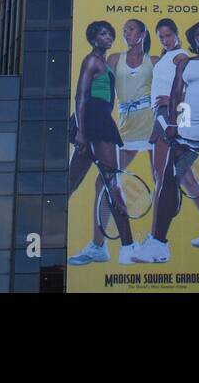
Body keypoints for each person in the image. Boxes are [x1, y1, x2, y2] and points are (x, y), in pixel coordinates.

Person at [134, 20, 199, 265]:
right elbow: (178, 94)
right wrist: (173, 123)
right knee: (167, 176)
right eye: (197, 34)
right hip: (187, 126)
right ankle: (159, 243)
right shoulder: (185, 63)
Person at [80, 19, 154, 258]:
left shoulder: (156, 61)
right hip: (124, 128)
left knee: (164, 183)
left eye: (130, 30)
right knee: (104, 183)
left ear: (142, 33)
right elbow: (98, 88)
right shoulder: (112, 59)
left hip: (151, 127)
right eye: (123, 31)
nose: (125, 35)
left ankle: (155, 241)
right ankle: (99, 245)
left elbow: (178, 84)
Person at [66, 21, 137, 265]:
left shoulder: (104, 63)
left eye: (110, 33)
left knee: (73, 181)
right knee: (111, 183)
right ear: (93, 38)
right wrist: (82, 133)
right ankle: (128, 246)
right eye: (102, 33)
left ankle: (101, 248)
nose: (108, 37)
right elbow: (80, 95)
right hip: (93, 123)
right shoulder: (92, 61)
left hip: (99, 121)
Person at [148, 18, 199, 248]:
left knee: (162, 176)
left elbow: (193, 87)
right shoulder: (168, 58)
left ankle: (156, 240)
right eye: (161, 37)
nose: (165, 40)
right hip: (166, 114)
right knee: (185, 178)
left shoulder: (181, 57)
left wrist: (172, 100)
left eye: (168, 35)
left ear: (177, 34)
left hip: (171, 114)